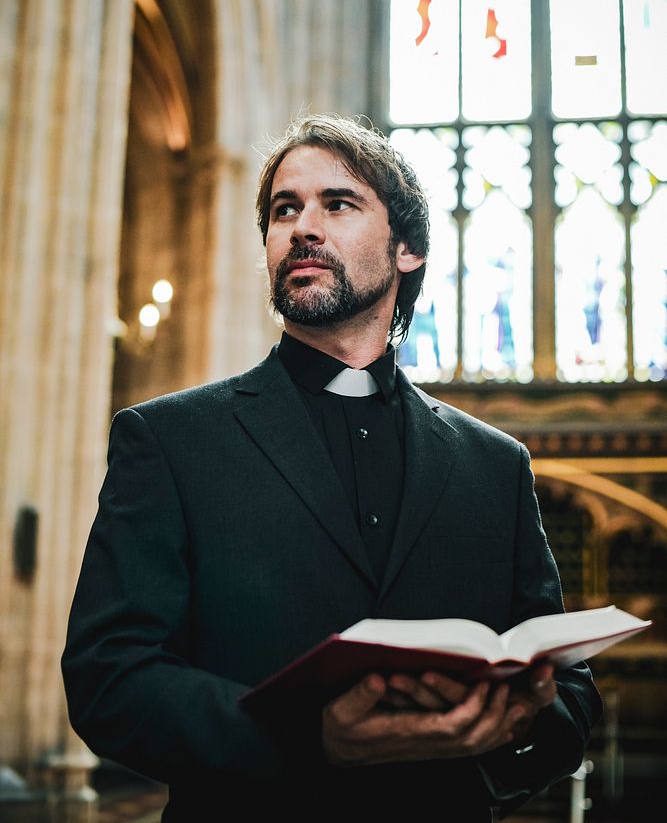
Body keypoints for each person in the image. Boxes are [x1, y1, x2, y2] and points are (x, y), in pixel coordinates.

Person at [62, 114, 602, 821]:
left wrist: (520, 723)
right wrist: (306, 737)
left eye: (336, 204)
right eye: (284, 209)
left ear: (406, 249)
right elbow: (109, 678)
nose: (301, 227)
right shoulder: (169, 441)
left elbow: (572, 694)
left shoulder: (492, 465)